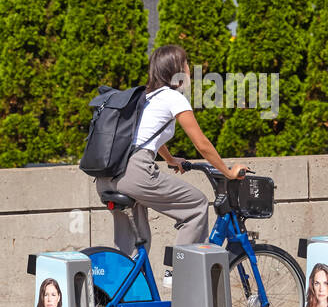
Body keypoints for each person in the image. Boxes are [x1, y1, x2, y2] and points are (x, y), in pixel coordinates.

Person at [96, 44, 247, 285]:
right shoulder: (173, 97)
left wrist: (169, 159)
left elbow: (144, 137)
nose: (189, 70)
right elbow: (202, 144)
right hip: (134, 172)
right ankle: (179, 273)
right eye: (186, 65)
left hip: (107, 175)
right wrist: (228, 172)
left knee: (134, 244)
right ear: (176, 71)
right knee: (196, 205)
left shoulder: (144, 98)